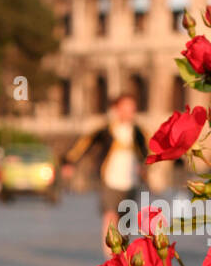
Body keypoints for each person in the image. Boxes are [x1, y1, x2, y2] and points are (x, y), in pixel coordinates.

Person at [63, 93, 148, 248]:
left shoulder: (138, 132)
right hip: (110, 178)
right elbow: (84, 144)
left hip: (131, 181)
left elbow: (150, 151)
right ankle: (110, 253)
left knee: (126, 221)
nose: (129, 112)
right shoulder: (105, 130)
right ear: (117, 109)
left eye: (131, 109)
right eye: (125, 108)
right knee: (110, 215)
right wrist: (69, 161)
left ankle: (123, 252)